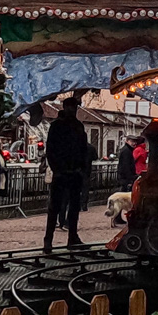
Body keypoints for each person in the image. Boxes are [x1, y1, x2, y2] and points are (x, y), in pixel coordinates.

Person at [43, 99, 92, 251]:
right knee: (55, 206)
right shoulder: (57, 126)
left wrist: (81, 169)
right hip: (63, 172)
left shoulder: (78, 126)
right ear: (65, 107)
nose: (73, 110)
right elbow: (50, 150)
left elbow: (84, 150)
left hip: (74, 172)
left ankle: (72, 237)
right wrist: (58, 169)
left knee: (73, 207)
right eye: (71, 107)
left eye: (75, 107)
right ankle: (48, 240)